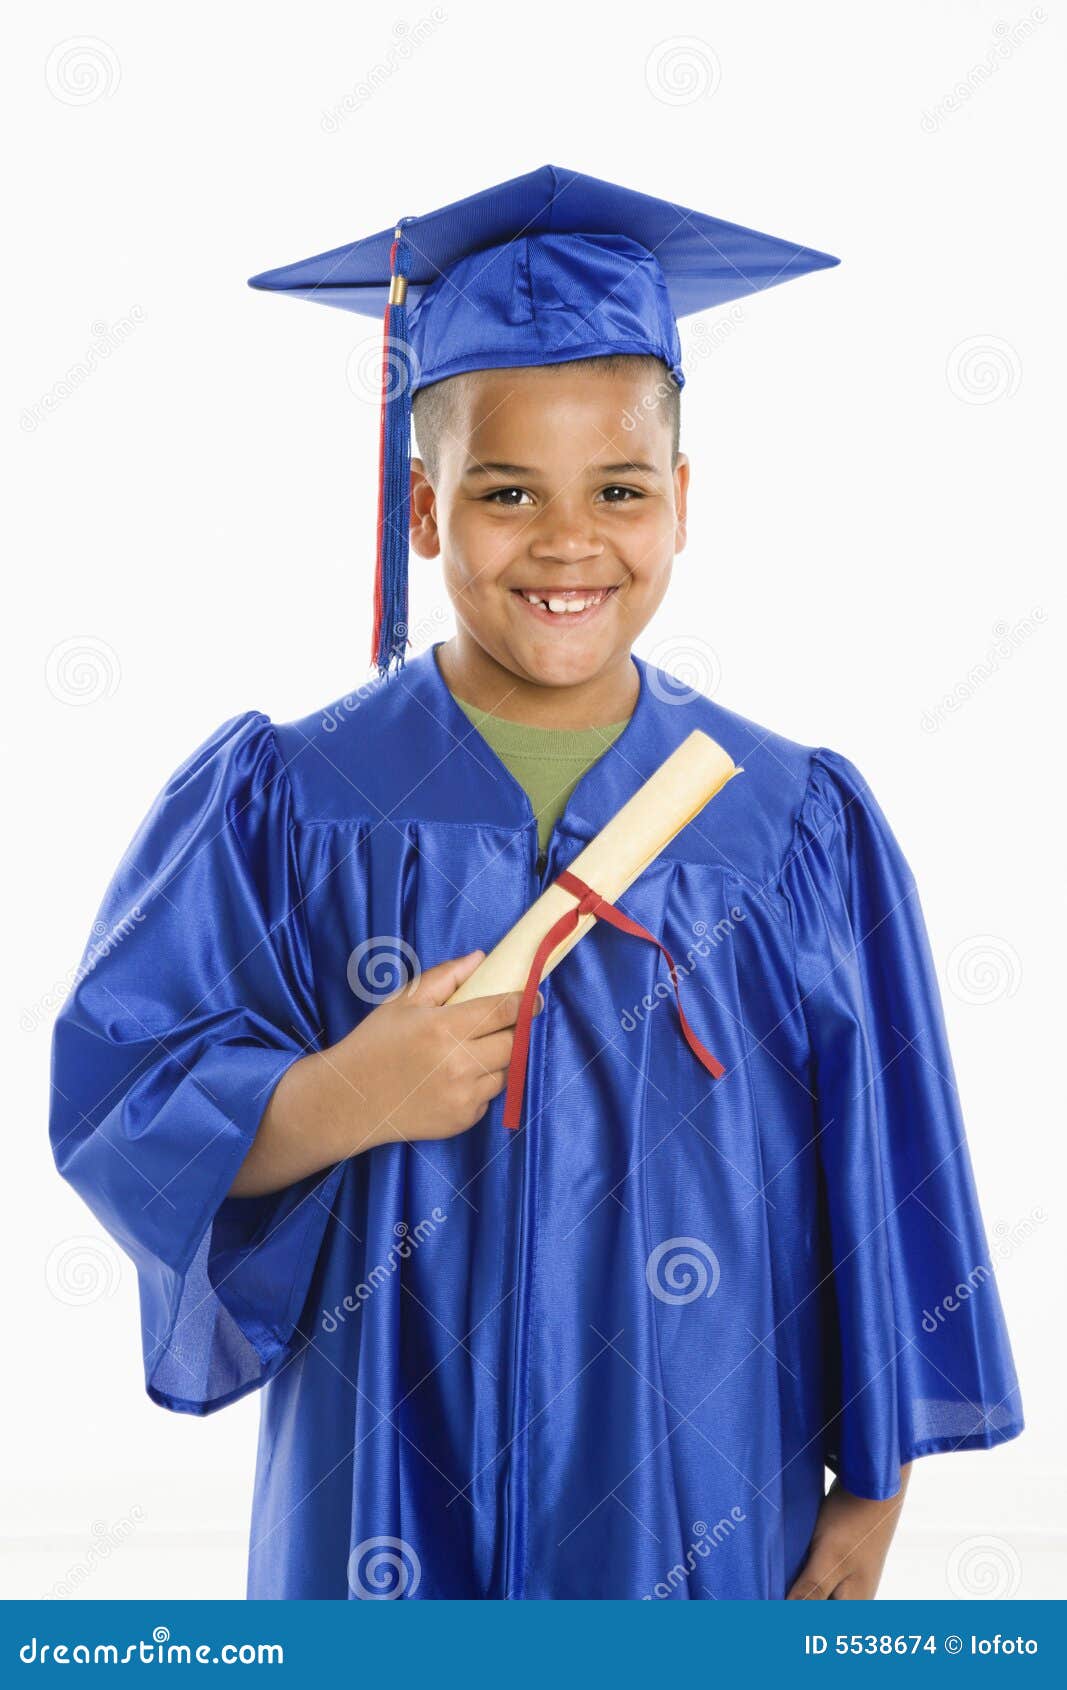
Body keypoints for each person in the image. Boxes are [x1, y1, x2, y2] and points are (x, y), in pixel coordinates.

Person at [49, 166, 1022, 1600]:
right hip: (380, 1470)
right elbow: (122, 1097)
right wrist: (341, 1094)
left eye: (619, 490)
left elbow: (883, 1167)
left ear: (682, 503)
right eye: (506, 494)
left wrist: (872, 1495)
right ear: (425, 508)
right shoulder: (289, 802)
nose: (569, 541)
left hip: (697, 1485)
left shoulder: (790, 824)